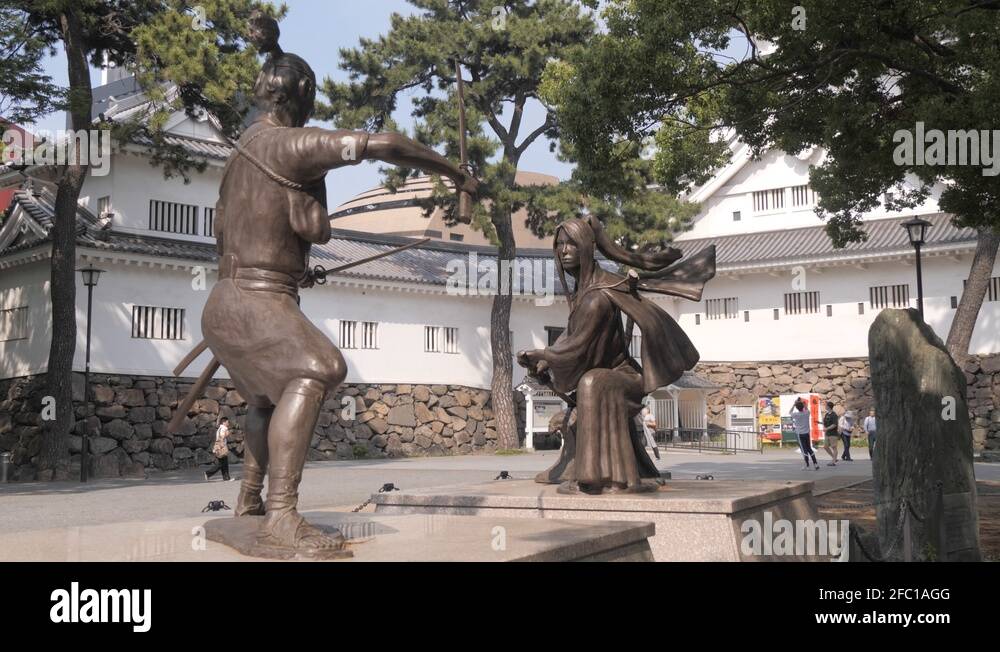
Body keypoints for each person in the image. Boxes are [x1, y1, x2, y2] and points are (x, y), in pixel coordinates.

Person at [196, 13, 479, 557]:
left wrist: (296, 268)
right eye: (310, 97)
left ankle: (249, 500)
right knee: (319, 368)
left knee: (263, 397)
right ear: (301, 94)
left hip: (224, 303)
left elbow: (280, 229)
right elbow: (386, 144)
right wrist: (453, 172)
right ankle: (281, 514)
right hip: (256, 299)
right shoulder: (288, 146)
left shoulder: (241, 152)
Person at [516, 215, 715, 494]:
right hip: (607, 374)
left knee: (592, 383)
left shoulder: (597, 295)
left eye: (571, 244)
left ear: (585, 247)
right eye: (559, 245)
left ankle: (605, 478)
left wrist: (545, 355)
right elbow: (572, 341)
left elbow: (576, 347)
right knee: (593, 381)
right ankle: (594, 471)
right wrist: (544, 358)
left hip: (627, 378)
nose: (564, 251)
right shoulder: (584, 290)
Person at [790, 397, 819, 470]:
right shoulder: (807, 413)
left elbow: (790, 412)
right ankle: (815, 464)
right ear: (803, 407)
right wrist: (803, 404)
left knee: (804, 450)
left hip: (800, 434)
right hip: (807, 433)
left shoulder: (796, 414)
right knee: (809, 448)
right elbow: (806, 408)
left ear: (797, 408)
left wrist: (794, 404)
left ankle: (807, 465)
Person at [205, 417, 233, 482]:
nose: (228, 423)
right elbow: (222, 437)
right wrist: (227, 434)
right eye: (227, 422)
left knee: (224, 463)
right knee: (221, 463)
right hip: (222, 447)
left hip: (218, 446)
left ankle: (226, 477)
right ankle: (208, 473)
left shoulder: (219, 429)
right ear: (224, 422)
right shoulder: (224, 428)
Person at [822, 401, 839, 466]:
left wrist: (827, 428)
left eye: (826, 405)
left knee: (834, 447)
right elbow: (824, 422)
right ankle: (834, 458)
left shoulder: (834, 415)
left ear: (829, 406)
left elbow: (834, 424)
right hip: (827, 433)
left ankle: (833, 461)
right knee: (825, 446)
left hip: (833, 434)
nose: (825, 406)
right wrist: (824, 427)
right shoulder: (826, 414)